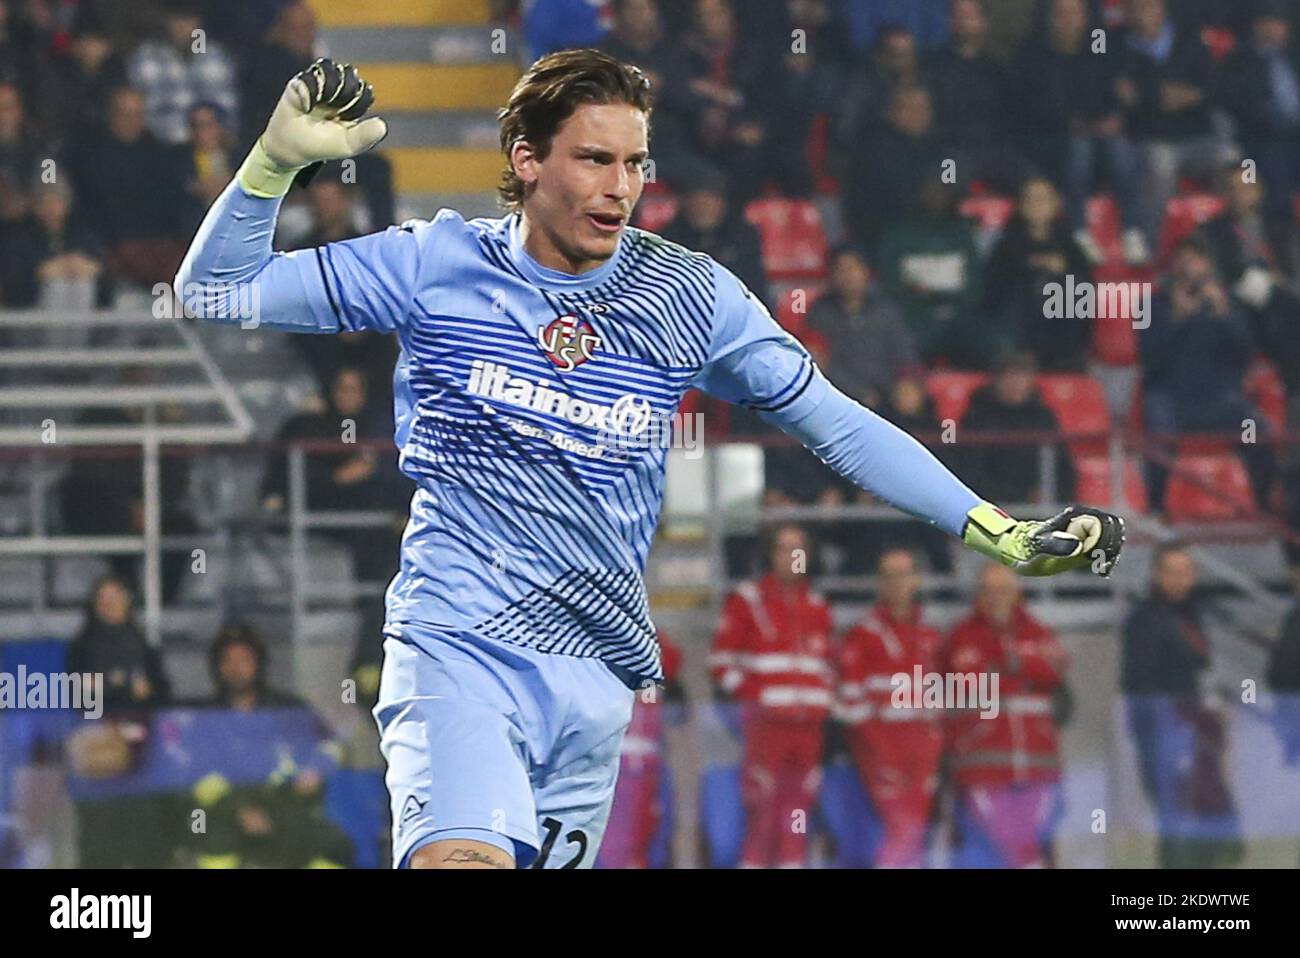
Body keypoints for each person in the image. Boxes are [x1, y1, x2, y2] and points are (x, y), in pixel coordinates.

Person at [174, 51, 1123, 870]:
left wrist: (995, 528)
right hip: (456, 643)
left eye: (634, 162)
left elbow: (837, 423)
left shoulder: (688, 296)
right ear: (526, 161)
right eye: (593, 160)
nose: (620, 186)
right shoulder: (435, 265)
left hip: (594, 677)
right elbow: (214, 293)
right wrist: (271, 168)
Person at [711, 524, 834, 868]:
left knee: (798, 816)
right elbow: (721, 663)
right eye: (784, 549)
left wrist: (821, 700)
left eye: (799, 549)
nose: (793, 556)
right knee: (762, 812)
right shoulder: (747, 600)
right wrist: (757, 699)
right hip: (766, 730)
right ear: (771, 554)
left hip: (808, 731)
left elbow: (827, 667)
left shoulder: (817, 605)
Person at [1122, 544, 1243, 868]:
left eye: (1186, 572)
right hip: (1167, 733)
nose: (1180, 580)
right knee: (1177, 816)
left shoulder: (1193, 615)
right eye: (1172, 572)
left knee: (1207, 811)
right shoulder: (1145, 620)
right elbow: (1137, 682)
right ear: (1157, 575)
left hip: (1198, 730)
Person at [945, 563, 1068, 868]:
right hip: (982, 770)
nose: (997, 597)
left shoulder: (1039, 631)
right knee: (994, 853)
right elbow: (967, 682)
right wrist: (1023, 671)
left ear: (1018, 593)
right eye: (989, 590)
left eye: (1005, 589)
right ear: (978, 595)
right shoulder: (961, 636)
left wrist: (1005, 662)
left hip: (1037, 769)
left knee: (1033, 852)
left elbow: (1054, 670)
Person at [835, 548, 944, 867]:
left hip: (924, 756)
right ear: (879, 583)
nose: (896, 583)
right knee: (903, 831)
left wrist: (934, 745)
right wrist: (880, 753)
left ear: (916, 580)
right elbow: (851, 705)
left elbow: (940, 701)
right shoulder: (862, 634)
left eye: (903, 575)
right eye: (888, 576)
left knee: (917, 834)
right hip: (881, 753)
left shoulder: (930, 635)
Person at [64, 575, 171, 712]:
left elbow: (161, 689)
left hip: (139, 719)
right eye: (103, 598)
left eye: (115, 597)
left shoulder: (142, 644)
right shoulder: (81, 647)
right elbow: (77, 691)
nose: (109, 604)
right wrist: (115, 685)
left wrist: (148, 689)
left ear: (127, 601)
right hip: (96, 722)